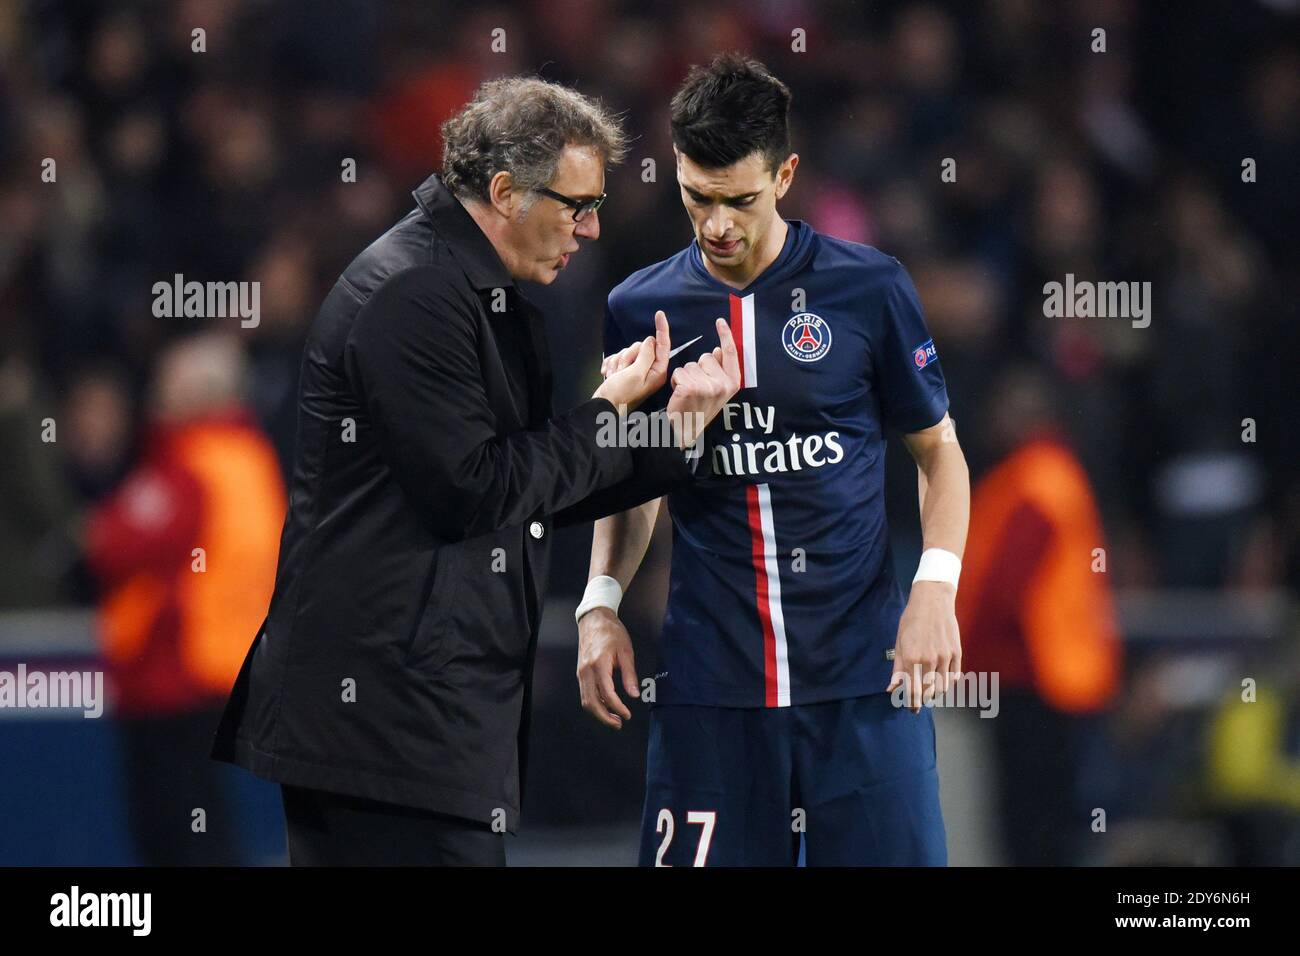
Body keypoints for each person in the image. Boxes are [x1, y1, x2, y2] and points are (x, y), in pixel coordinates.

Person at [210, 76, 740, 866]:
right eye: (576, 205)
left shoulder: (466, 290)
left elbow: (529, 488)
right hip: (381, 730)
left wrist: (674, 431)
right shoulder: (416, 293)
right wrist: (607, 415)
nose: (591, 230)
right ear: (503, 191)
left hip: (417, 722)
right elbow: (476, 490)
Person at [574, 55, 970, 866]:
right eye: (697, 198)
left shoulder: (870, 290)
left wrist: (935, 588)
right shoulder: (638, 309)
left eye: (740, 201)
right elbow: (631, 481)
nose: (717, 225)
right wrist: (600, 603)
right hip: (709, 695)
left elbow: (941, 454)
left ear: (785, 175)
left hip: (864, 686)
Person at [87, 333, 286, 865]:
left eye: (165, 384)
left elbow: (112, 541)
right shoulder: (251, 459)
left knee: (176, 829)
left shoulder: (190, 466)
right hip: (228, 667)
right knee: (203, 820)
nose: (154, 395)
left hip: (174, 672)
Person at [955, 364, 1121, 865]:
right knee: (1042, 818)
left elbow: (1005, 591)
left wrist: (971, 662)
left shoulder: (1036, 481)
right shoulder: (1039, 475)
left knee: (1031, 823)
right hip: (1048, 676)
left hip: (1035, 676)